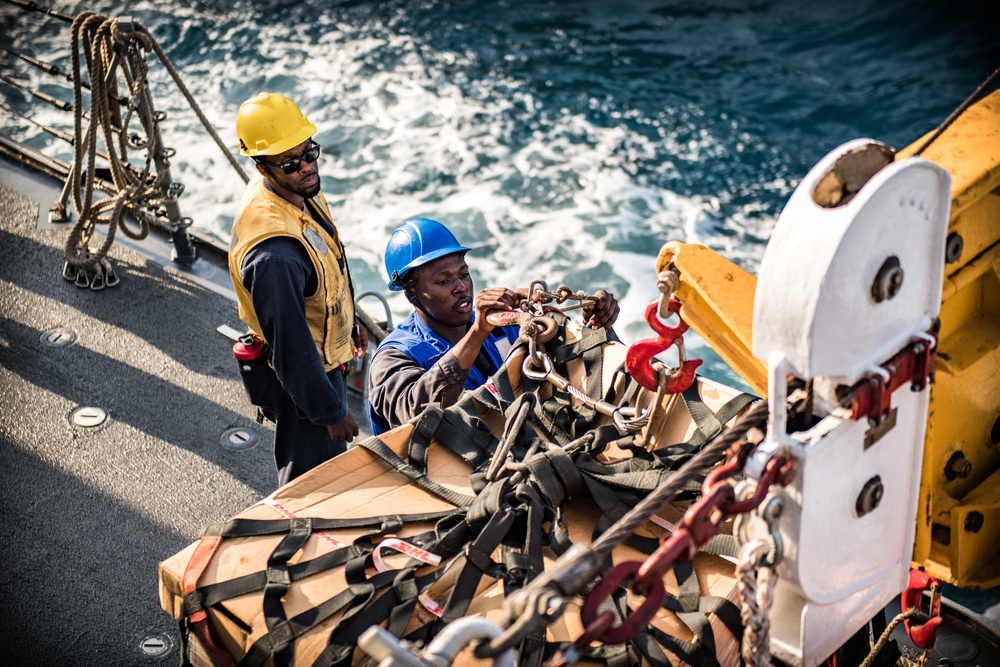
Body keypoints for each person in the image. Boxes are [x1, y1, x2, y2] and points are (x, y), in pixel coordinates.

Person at [367, 217, 620, 435]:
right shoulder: (395, 355)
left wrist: (595, 326)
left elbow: (565, 362)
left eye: (463, 274)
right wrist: (478, 332)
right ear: (412, 293)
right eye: (444, 281)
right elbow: (413, 413)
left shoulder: (504, 326)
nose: (461, 287)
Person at [229, 92, 366, 486]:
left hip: (322, 359)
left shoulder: (297, 191)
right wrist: (330, 414)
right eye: (290, 163)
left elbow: (328, 260)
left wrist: (350, 321)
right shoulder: (275, 256)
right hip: (307, 379)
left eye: (309, 153)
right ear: (261, 167)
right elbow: (291, 348)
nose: (306, 167)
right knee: (311, 480)